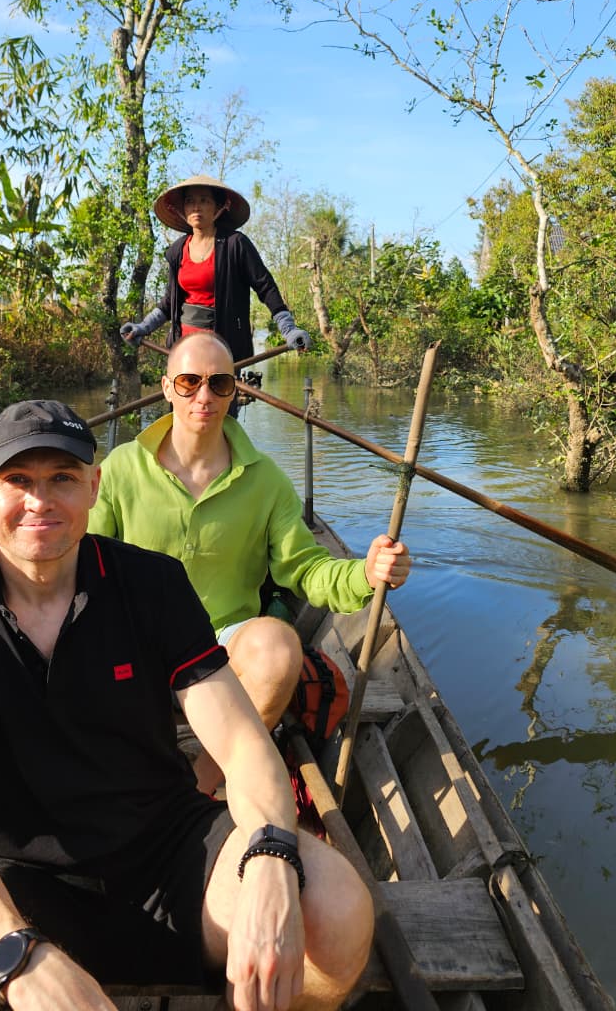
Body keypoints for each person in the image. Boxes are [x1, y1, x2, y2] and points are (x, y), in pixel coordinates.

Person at [0, 398, 373, 1011]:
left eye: (61, 478)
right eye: (17, 480)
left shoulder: (154, 585)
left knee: (338, 913)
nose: (40, 501)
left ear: (94, 485)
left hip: (168, 847)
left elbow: (243, 746)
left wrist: (271, 852)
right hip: (17, 883)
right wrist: (21, 956)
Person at [89, 332, 411, 791]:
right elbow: (85, 565)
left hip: (222, 644)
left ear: (235, 391)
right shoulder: (122, 469)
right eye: (189, 382)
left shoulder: (266, 481)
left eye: (219, 384)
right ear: (165, 387)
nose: (204, 396)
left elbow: (306, 568)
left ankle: (202, 785)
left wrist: (368, 570)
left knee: (279, 647)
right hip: (134, 643)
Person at [120, 173, 312, 362]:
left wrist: (288, 329)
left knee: (219, 391)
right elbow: (169, 303)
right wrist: (143, 327)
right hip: (184, 347)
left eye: (204, 201)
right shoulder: (177, 250)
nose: (196, 207)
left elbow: (266, 287)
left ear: (219, 208)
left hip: (223, 346)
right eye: (189, 201)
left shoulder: (235, 244)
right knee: (184, 391)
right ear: (182, 210)